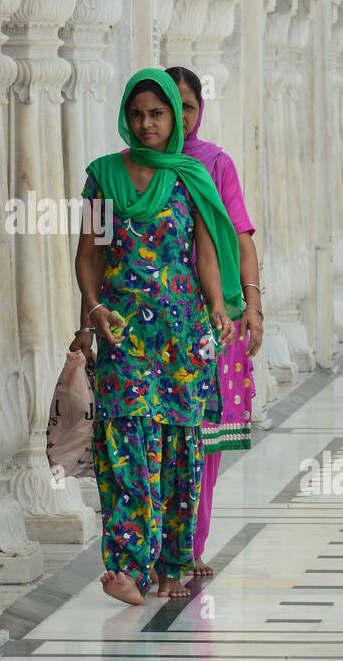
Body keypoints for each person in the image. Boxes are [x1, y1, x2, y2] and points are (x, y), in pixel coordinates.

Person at [70, 68, 240, 606]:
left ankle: (171, 565)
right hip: (122, 332)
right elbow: (89, 256)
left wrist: (218, 306)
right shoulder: (104, 176)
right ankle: (125, 567)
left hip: (183, 336)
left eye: (158, 114)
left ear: (174, 118)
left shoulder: (192, 176)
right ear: (127, 115)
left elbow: (208, 254)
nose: (147, 124)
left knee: (178, 447)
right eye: (138, 114)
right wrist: (90, 316)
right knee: (123, 445)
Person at [165, 66, 264, 575]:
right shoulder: (135, 169)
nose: (179, 117)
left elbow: (241, 236)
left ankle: (192, 543)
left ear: (199, 110)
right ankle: (158, 546)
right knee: (164, 434)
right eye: (169, 105)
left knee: (206, 436)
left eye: (188, 106)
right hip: (158, 321)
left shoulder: (215, 163)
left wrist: (252, 304)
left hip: (215, 319)